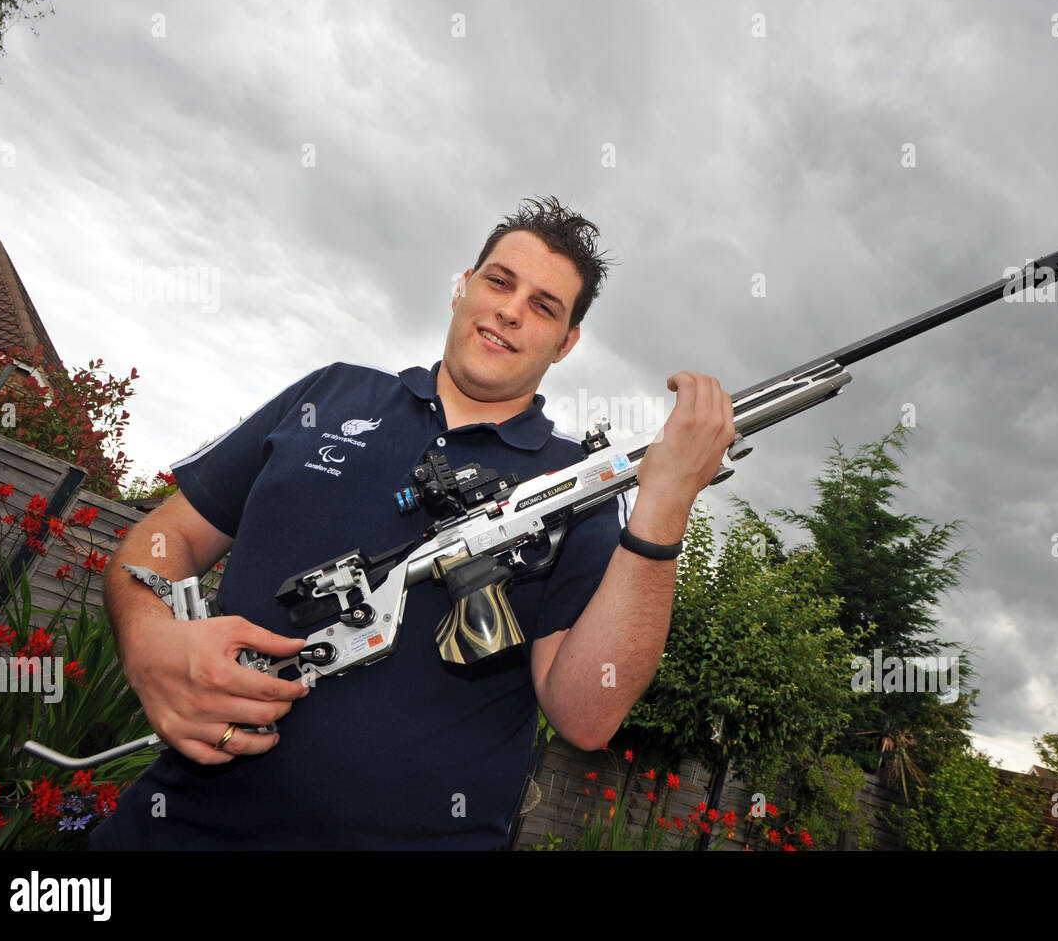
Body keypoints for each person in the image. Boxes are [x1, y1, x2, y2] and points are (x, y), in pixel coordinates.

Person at [90, 197, 734, 849]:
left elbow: (587, 713)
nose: (511, 310)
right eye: (499, 281)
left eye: (545, 306)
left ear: (566, 343)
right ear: (463, 287)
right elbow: (163, 543)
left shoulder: (577, 484)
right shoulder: (332, 394)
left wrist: (665, 502)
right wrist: (151, 644)